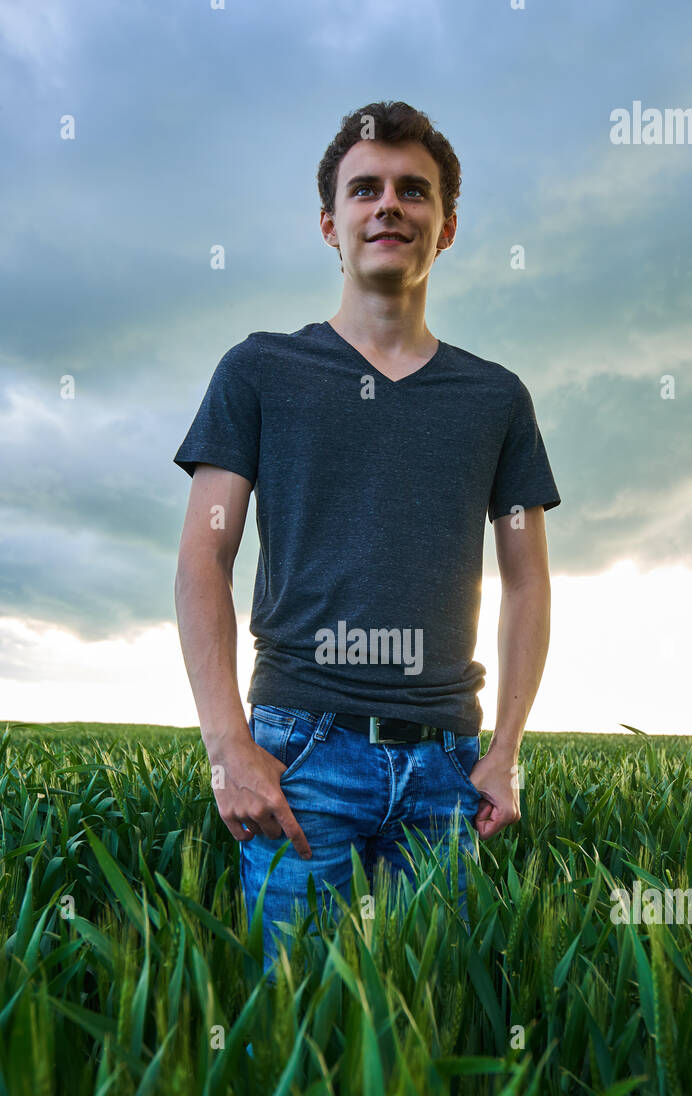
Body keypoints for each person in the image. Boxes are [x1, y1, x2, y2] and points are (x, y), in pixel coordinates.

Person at [173, 100, 561, 977]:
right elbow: (205, 556)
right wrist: (230, 747)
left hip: (446, 770)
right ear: (330, 224)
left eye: (413, 191)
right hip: (300, 759)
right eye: (366, 189)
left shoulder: (496, 400)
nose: (389, 205)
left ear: (447, 227)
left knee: (434, 1045)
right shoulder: (260, 371)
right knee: (297, 1037)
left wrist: (505, 753)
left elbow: (528, 581)